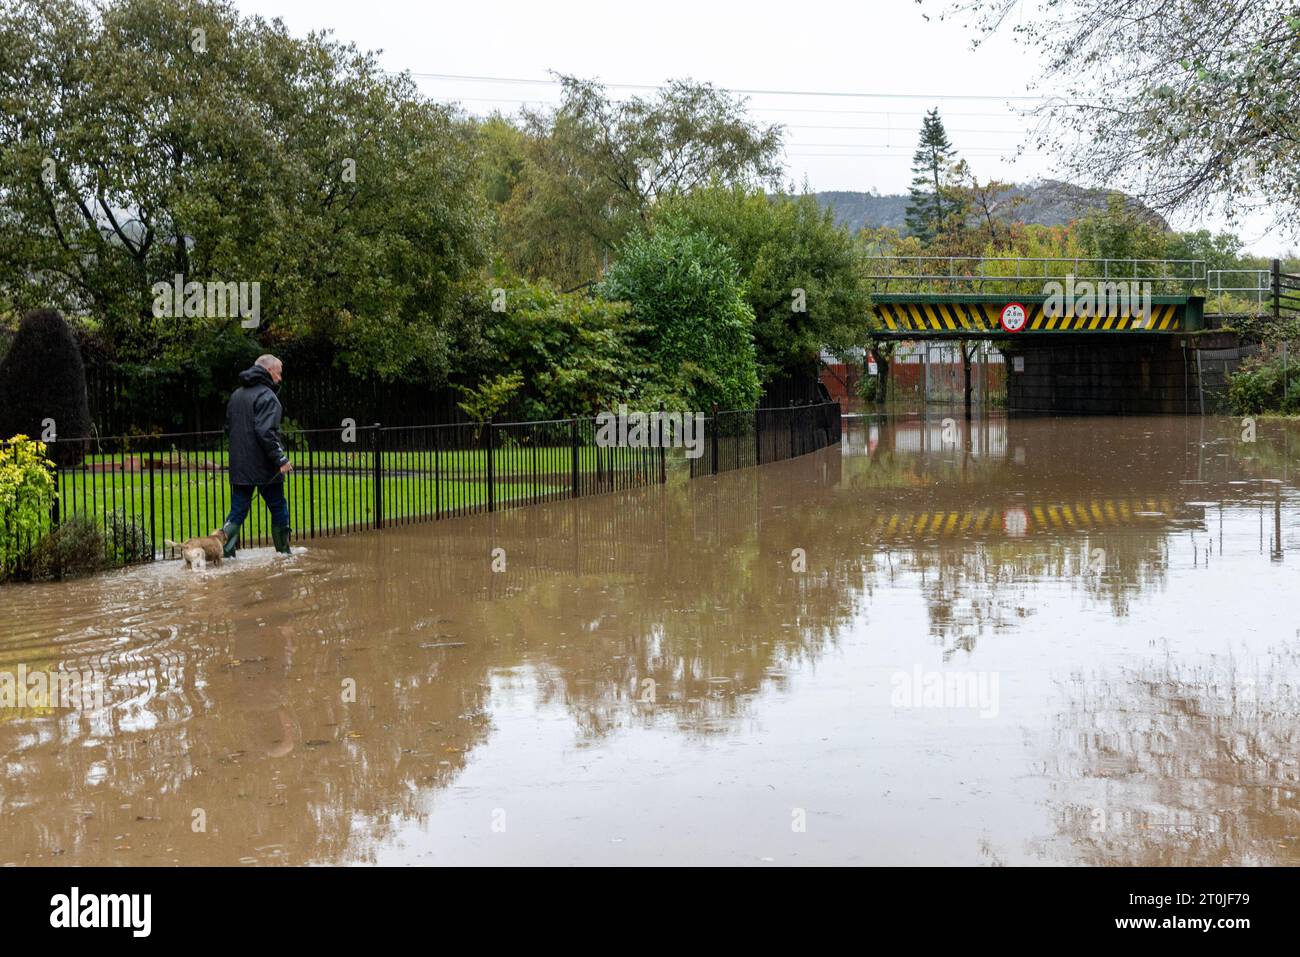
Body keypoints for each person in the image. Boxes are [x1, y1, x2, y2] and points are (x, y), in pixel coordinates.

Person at [219, 354, 293, 557]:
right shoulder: (268, 397)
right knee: (278, 506)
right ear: (269, 371)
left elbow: (228, 428)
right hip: (265, 467)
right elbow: (266, 432)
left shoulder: (236, 395)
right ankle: (284, 553)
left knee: (238, 510)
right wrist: (282, 459)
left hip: (240, 466)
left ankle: (224, 552)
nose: (280, 378)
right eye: (278, 373)